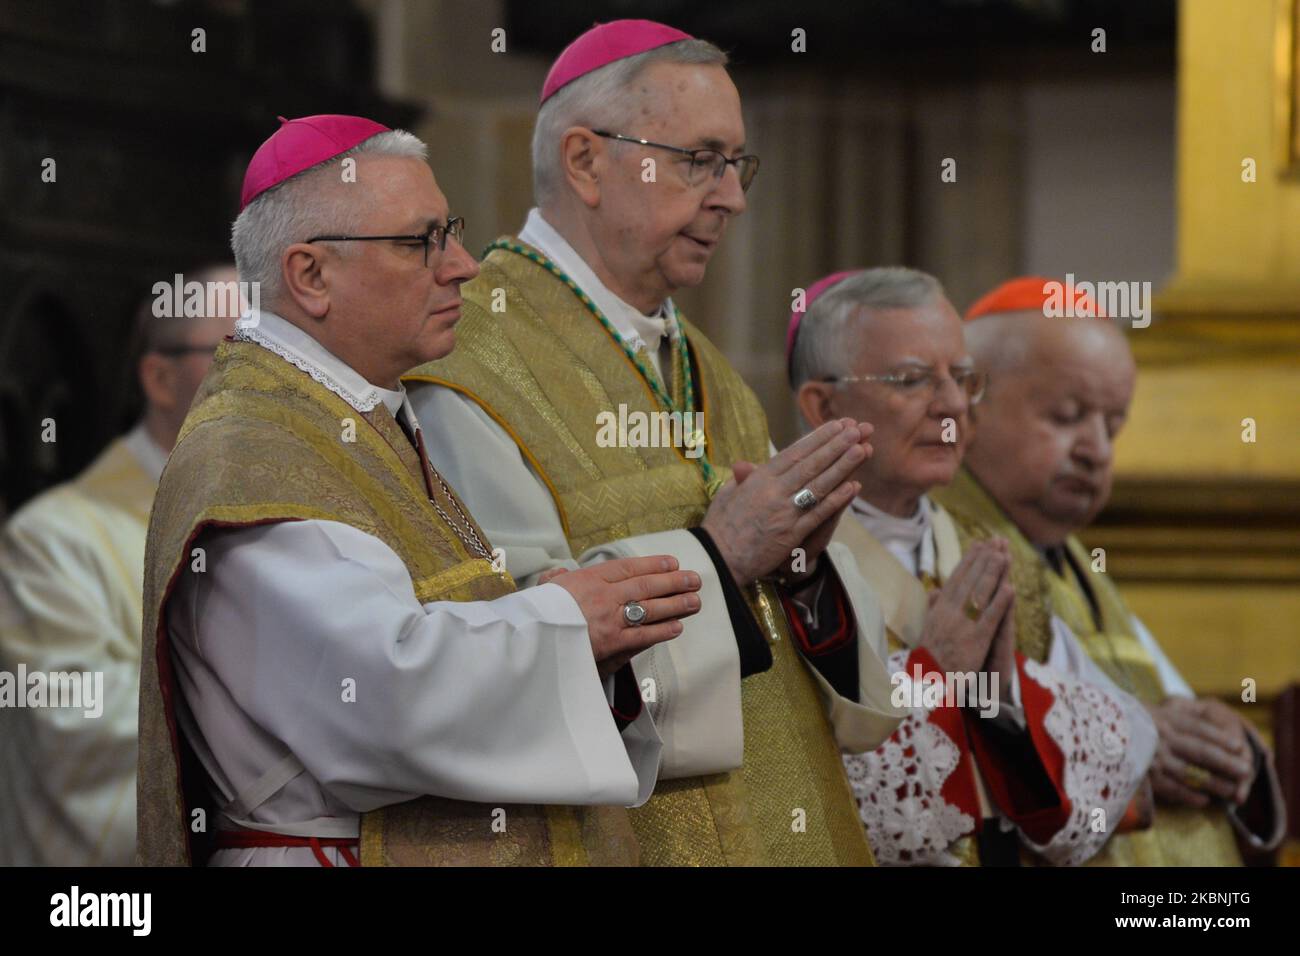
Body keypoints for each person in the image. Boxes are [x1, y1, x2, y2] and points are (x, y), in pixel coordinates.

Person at [136, 114, 701, 867]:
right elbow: (380, 698)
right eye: (420, 241)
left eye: (452, 231)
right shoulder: (255, 453)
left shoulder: (360, 414)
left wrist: (569, 628)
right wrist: (567, 620)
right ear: (310, 276)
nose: (464, 265)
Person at [405, 20, 903, 865]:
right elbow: (500, 641)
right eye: (700, 160)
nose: (732, 197)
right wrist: (722, 555)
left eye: (736, 165)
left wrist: (803, 570)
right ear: (586, 161)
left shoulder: (710, 369)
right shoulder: (468, 362)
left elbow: (799, 649)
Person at [789, 267, 1156, 865]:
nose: (954, 406)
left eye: (963, 380)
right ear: (822, 403)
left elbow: (1117, 761)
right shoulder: (787, 560)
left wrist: (1004, 698)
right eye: (913, 380)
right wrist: (932, 676)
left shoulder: (998, 555)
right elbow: (790, 787)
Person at [934, 275, 1285, 864]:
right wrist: (1128, 737)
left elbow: (1173, 715)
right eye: (1068, 416)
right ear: (970, 402)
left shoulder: (1074, 562)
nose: (1096, 449)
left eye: (1112, 425)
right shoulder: (942, 546)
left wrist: (1232, 751)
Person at [0, 266, 239, 866]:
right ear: (160, 380)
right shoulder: (53, 542)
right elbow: (70, 719)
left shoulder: (295, 519)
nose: (273, 381)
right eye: (240, 350)